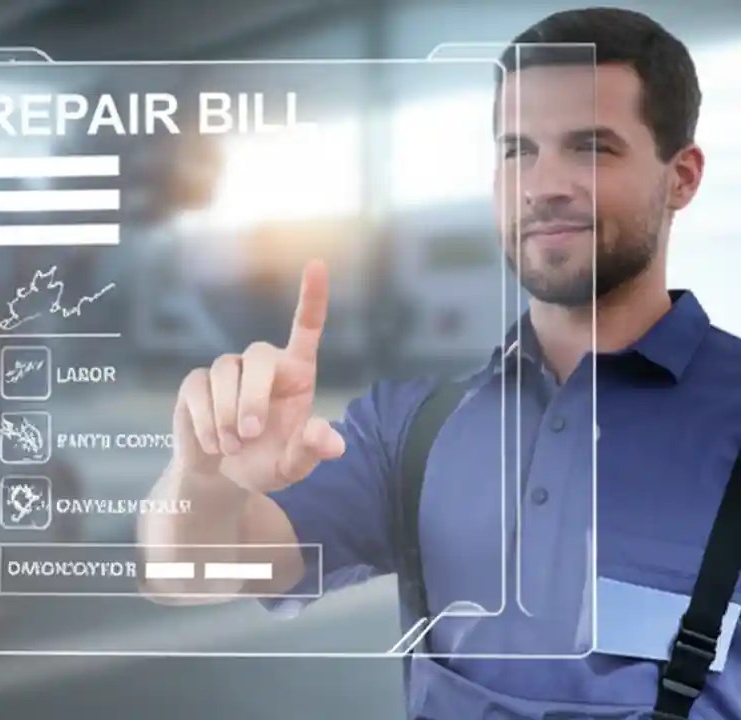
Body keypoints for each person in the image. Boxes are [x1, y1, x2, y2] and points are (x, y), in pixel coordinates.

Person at [138, 7, 741, 719]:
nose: (541, 184)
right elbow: (185, 571)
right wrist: (206, 473)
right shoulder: (416, 429)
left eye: (590, 147)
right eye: (516, 150)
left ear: (683, 178)